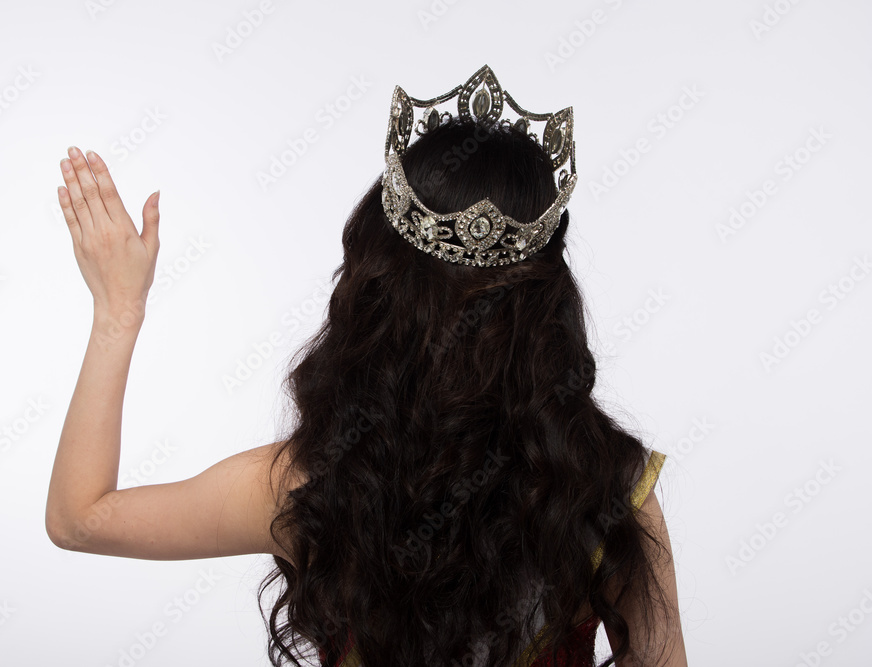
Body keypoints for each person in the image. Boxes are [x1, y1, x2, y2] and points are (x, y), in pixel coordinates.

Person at [45, 65, 687, 667]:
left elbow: (81, 519)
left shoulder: (307, 487)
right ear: (549, 308)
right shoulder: (610, 491)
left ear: (376, 294)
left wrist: (117, 312)